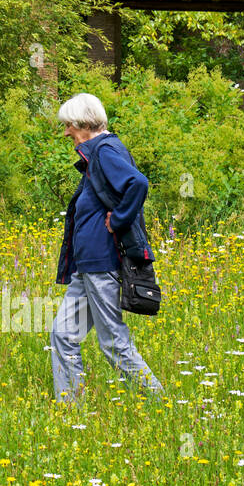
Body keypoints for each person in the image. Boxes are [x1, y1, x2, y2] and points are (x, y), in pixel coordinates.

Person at [49, 92, 163, 404]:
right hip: (86, 270)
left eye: (68, 126)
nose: (66, 133)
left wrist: (119, 219)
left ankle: (159, 402)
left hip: (104, 266)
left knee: (113, 343)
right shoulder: (95, 154)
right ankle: (70, 408)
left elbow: (137, 183)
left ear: (80, 124)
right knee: (62, 335)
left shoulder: (105, 151)